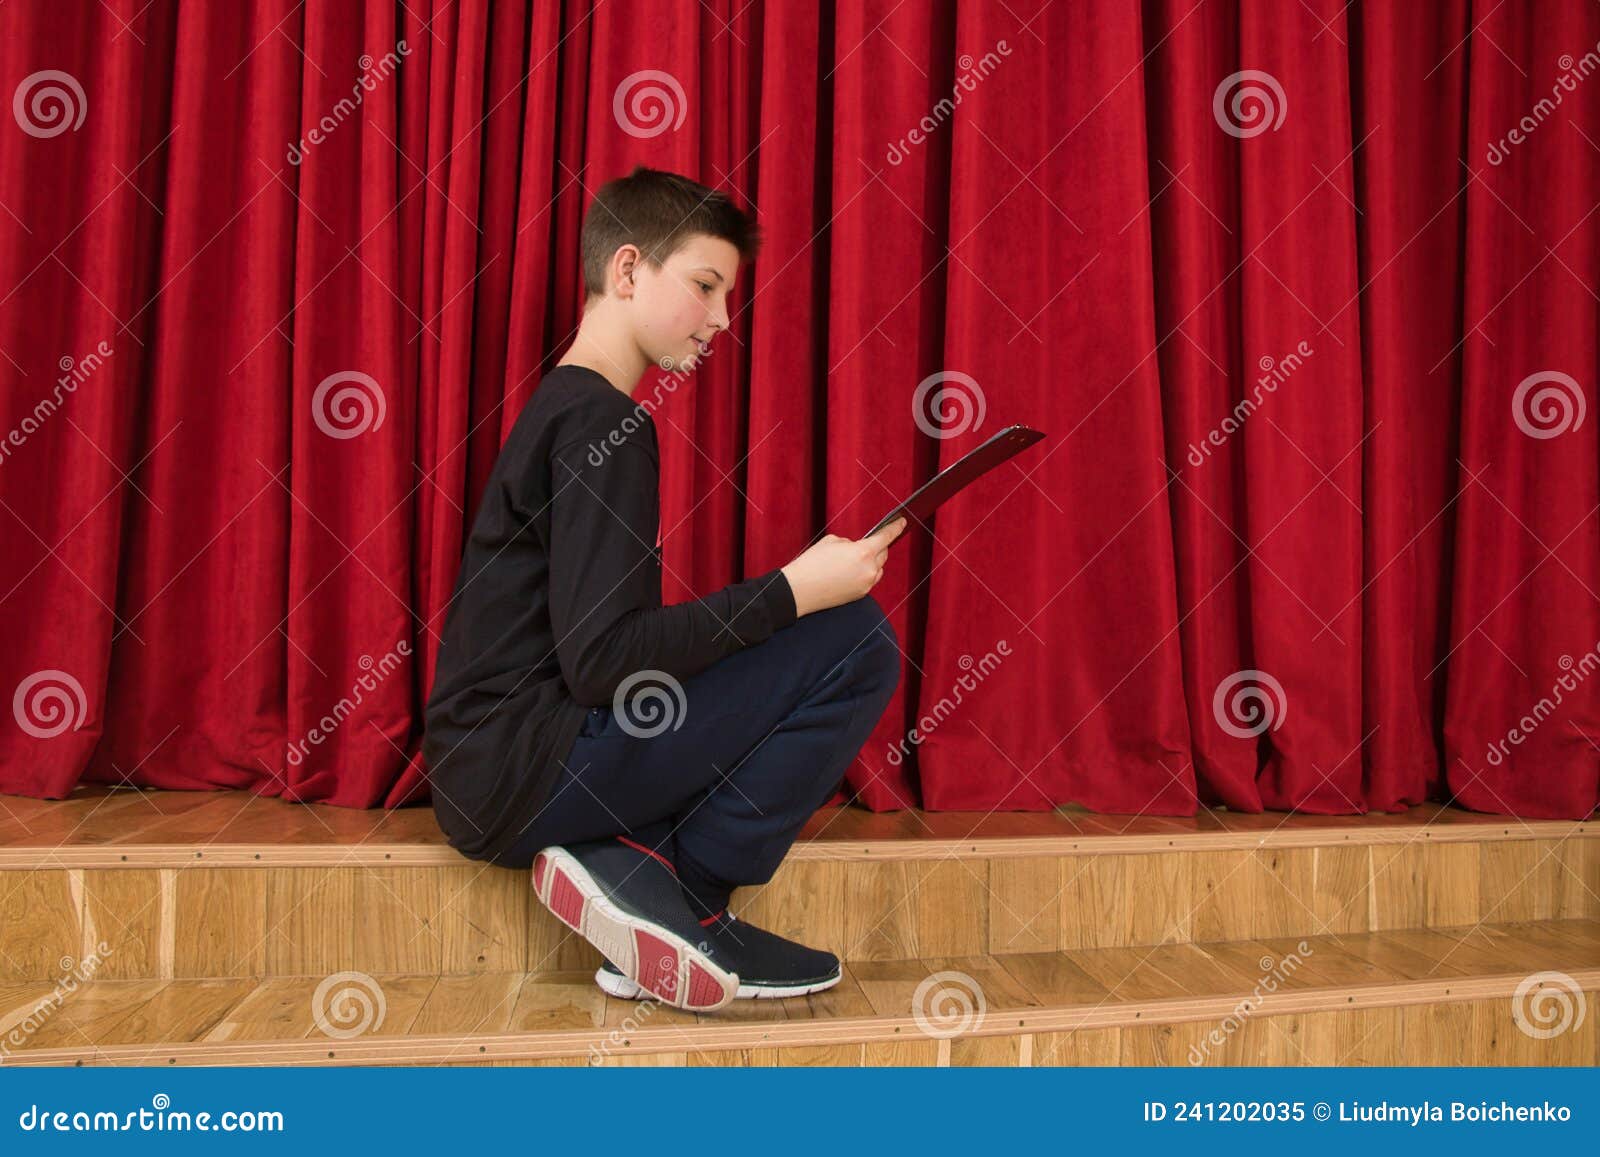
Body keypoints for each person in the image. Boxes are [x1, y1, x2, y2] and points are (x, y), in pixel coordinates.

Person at [421, 165, 906, 1012]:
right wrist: (794, 590)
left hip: (488, 774)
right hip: (524, 774)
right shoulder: (606, 421)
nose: (722, 318)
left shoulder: (565, 408)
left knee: (808, 629)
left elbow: (594, 649)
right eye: (705, 285)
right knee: (856, 638)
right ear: (629, 270)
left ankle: (636, 871)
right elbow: (606, 664)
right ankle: (686, 891)